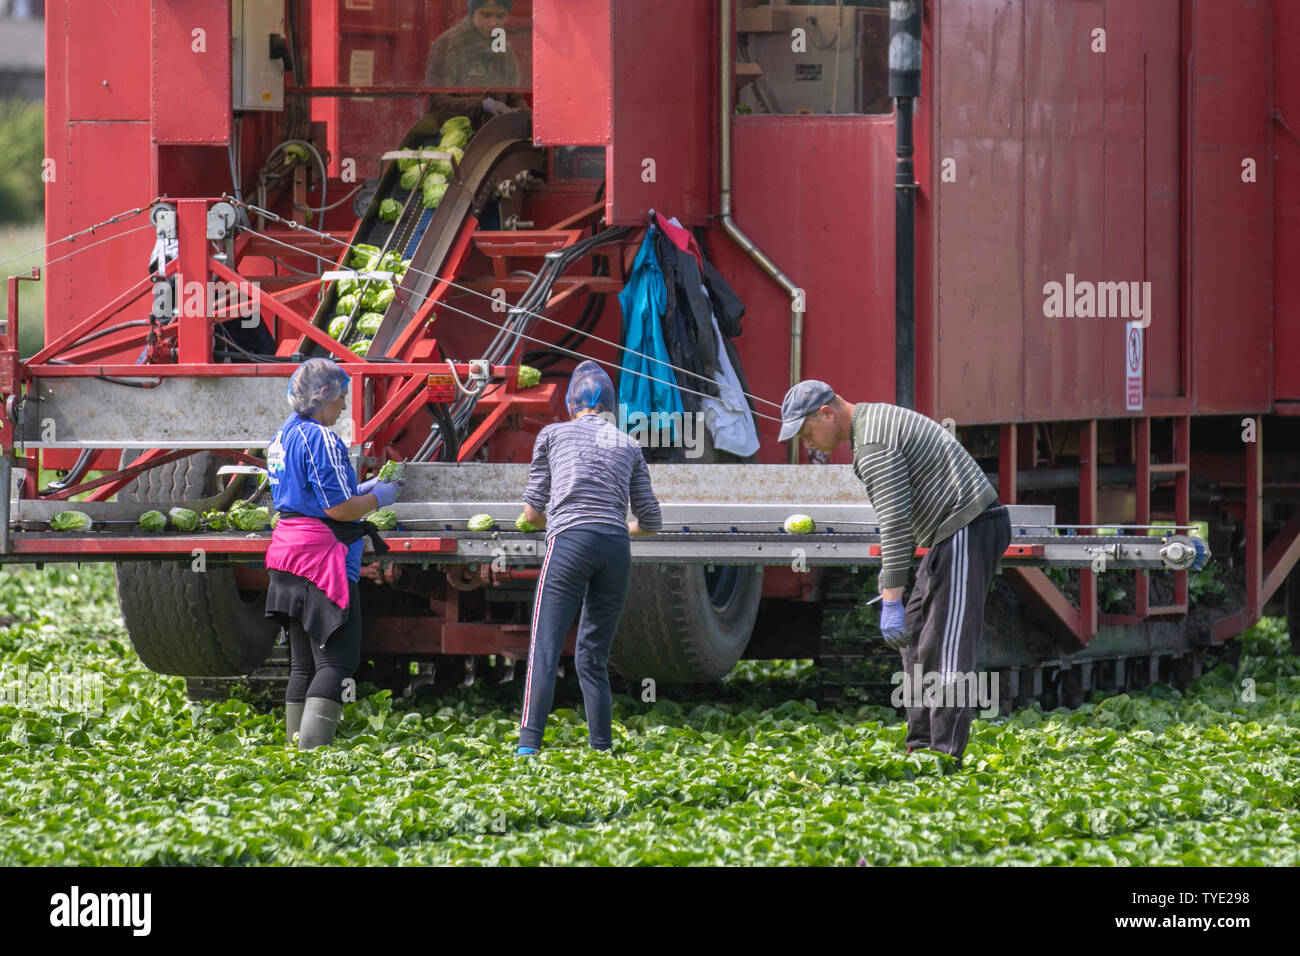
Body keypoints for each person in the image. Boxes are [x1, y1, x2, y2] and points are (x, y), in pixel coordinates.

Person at [778, 381, 1012, 765]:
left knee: (946, 648)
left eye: (807, 433)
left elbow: (895, 522)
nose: (808, 444)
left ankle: (944, 756)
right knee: (917, 637)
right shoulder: (870, 423)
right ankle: (919, 748)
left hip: (971, 525)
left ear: (826, 413)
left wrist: (891, 597)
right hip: (947, 535)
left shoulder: (872, 444)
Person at [516, 360, 663, 756]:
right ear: (611, 406)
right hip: (615, 548)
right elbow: (651, 520)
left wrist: (558, 521)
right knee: (593, 657)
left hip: (570, 542)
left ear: (570, 404)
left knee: (545, 648)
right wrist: (617, 527)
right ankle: (601, 747)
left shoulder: (553, 434)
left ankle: (529, 745)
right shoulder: (628, 444)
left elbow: (532, 513)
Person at [263, 359, 404, 750]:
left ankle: (294, 754)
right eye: (341, 397)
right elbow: (337, 509)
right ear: (322, 395)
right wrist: (379, 497)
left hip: (285, 555)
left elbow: (310, 493)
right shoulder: (322, 438)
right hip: (319, 559)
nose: (344, 407)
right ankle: (313, 755)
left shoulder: (281, 436)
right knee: (337, 663)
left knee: (303, 664)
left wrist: (362, 486)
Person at [425, 0, 526, 122]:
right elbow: (435, 101)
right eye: (486, 15)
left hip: (498, 133)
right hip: (458, 132)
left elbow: (514, 99)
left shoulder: (504, 48)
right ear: (473, 12)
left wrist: (531, 118)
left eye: (500, 16)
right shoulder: (449, 44)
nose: (493, 23)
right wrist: (482, 105)